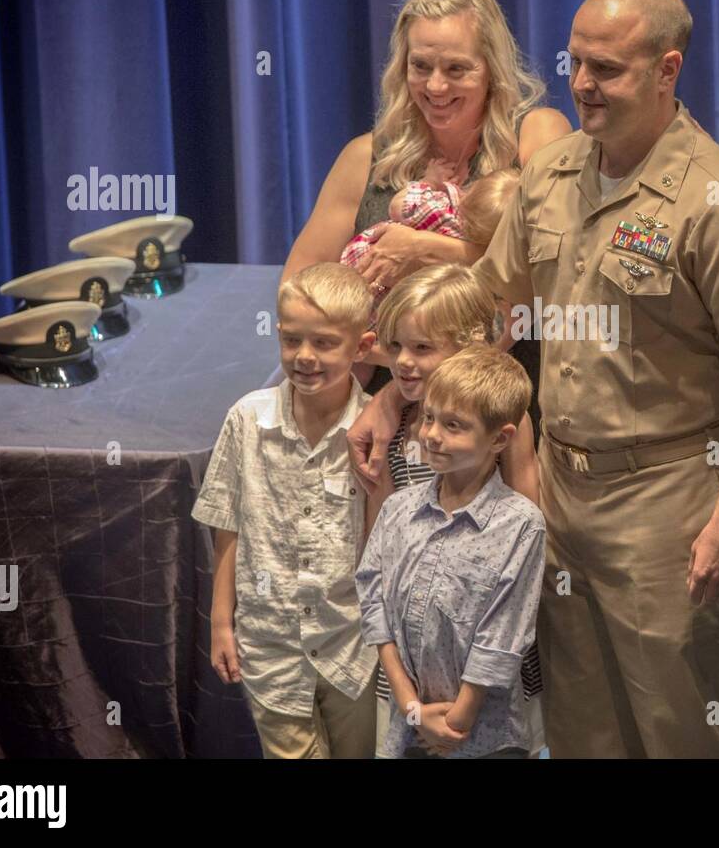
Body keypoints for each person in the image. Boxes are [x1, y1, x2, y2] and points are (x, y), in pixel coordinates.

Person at [352, 0, 719, 758]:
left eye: (608, 69)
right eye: (577, 62)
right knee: (584, 731)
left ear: (668, 70)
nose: (583, 84)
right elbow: (482, 304)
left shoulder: (717, 201)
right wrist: (393, 395)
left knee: (684, 726)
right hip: (556, 496)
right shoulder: (552, 175)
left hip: (671, 505)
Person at [283, 0, 570, 420]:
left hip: (498, 415)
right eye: (421, 67)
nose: (435, 87)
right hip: (380, 416)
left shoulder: (537, 136)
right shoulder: (365, 157)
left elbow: (544, 276)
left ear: (492, 69)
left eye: (457, 69)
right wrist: (396, 371)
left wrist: (424, 249)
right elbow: (298, 293)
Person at [194, 262, 377, 758]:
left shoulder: (377, 431)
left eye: (323, 343)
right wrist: (221, 623)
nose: (305, 357)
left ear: (362, 346)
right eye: (292, 340)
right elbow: (226, 524)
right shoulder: (247, 419)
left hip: (354, 649)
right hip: (270, 645)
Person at [363, 263, 544, 756]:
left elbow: (526, 528)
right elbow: (377, 554)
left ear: (469, 348)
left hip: (480, 672)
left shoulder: (502, 420)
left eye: (423, 348)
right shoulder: (392, 416)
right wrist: (409, 701)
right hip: (408, 669)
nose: (404, 362)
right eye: (395, 346)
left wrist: (463, 708)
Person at [340, 167, 517, 321]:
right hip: (399, 306)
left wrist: (428, 182)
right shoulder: (475, 242)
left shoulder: (439, 212)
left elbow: (398, 206)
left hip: (361, 262)